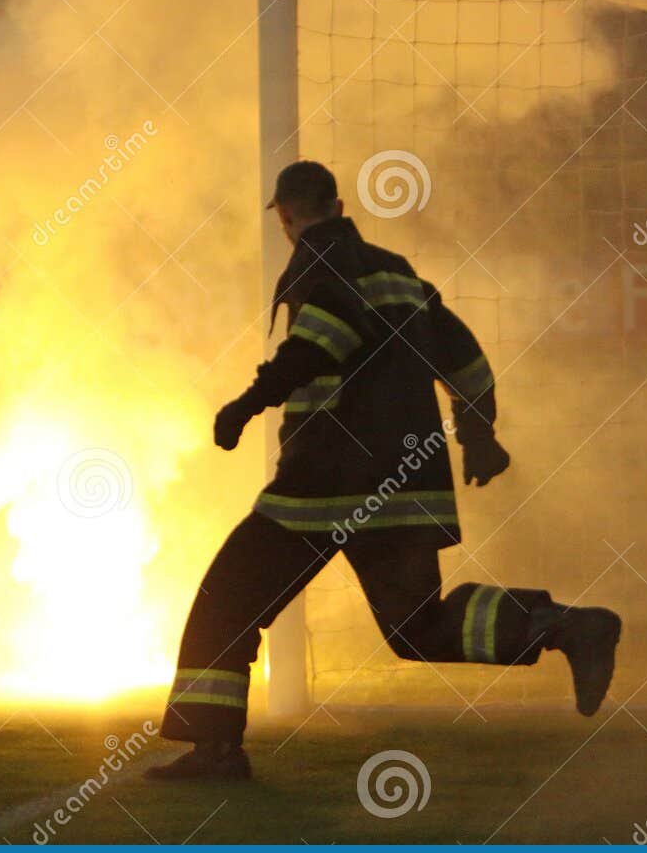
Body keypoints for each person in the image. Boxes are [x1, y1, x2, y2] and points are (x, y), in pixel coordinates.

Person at [147, 160, 622, 781]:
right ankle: (564, 626)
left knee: (227, 598)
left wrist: (246, 405)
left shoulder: (320, 265)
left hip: (323, 488)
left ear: (284, 217)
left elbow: (318, 344)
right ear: (340, 206)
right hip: (405, 487)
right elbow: (466, 359)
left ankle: (215, 752)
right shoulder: (398, 274)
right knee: (418, 627)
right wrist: (478, 437)